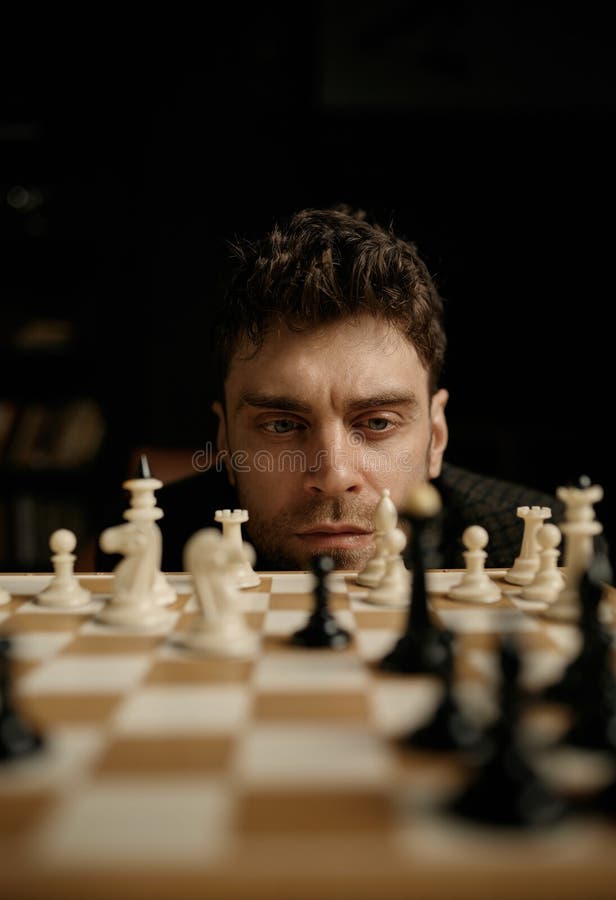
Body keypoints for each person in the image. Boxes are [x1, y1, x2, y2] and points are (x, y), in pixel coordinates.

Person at [151, 204, 563, 573]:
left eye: (379, 422)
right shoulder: (152, 541)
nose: (333, 476)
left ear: (436, 438)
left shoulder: (540, 543)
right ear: (224, 441)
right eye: (280, 425)